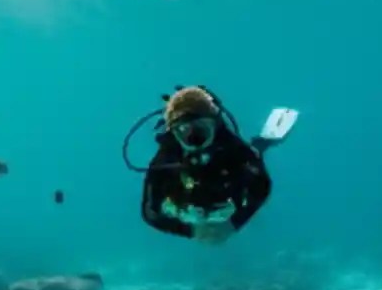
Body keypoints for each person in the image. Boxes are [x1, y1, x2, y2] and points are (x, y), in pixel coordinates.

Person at [122, 85, 297, 244]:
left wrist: (234, 224)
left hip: (227, 183)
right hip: (189, 198)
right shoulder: (167, 156)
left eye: (201, 128)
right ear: (173, 133)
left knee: (252, 157)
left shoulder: (232, 146)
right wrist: (191, 231)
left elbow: (262, 186)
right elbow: (150, 211)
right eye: (184, 131)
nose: (195, 139)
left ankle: (263, 142)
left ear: (215, 124)